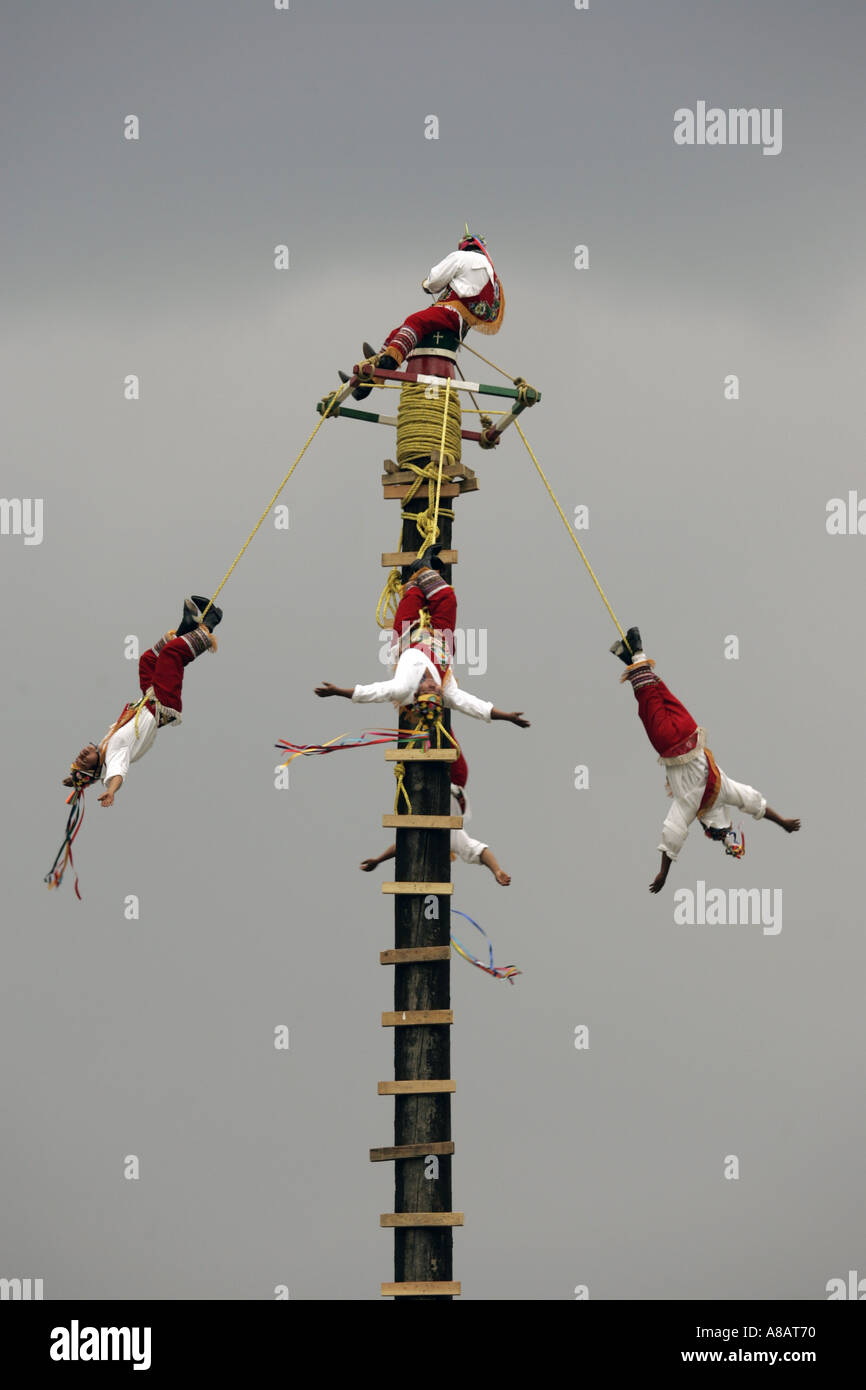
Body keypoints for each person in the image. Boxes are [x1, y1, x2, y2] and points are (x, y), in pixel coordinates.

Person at [610, 626, 800, 894]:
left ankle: (631, 659)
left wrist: (782, 823)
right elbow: (672, 835)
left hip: (690, 730)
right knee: (647, 699)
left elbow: (752, 801)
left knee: (659, 690)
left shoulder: (724, 789)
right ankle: (636, 653)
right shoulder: (689, 806)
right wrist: (664, 872)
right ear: (704, 820)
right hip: (668, 742)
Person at [314, 547, 528, 731]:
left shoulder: (403, 688)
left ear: (416, 694)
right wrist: (507, 717)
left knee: (414, 594)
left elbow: (373, 692)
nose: (432, 687)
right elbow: (475, 707)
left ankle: (419, 570)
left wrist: (337, 692)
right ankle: (427, 568)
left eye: (426, 690)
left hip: (406, 638)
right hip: (439, 640)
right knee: (447, 599)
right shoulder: (447, 692)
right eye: (435, 691)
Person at [63, 596, 222, 808]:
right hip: (163, 705)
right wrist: (110, 792)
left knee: (148, 661)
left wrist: (75, 782)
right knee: (171, 654)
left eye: (79, 756)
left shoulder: (105, 744)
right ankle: (210, 623)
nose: (82, 753)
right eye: (84, 761)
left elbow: (83, 775)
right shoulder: (113, 755)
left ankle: (187, 626)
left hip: (150, 698)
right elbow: (116, 776)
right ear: (94, 769)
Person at [344, 228, 505, 400]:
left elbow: (434, 281)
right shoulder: (492, 275)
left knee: (414, 321)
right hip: (462, 325)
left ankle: (387, 363)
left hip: (451, 313)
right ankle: (366, 384)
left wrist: (426, 284)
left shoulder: (462, 257)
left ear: (464, 246)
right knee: (401, 331)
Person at [360, 750, 511, 885]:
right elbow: (480, 851)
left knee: (420, 737)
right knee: (440, 729)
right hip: (453, 778)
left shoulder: (424, 837)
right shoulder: (450, 838)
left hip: (428, 781)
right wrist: (497, 870)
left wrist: (378, 860)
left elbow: (401, 845)